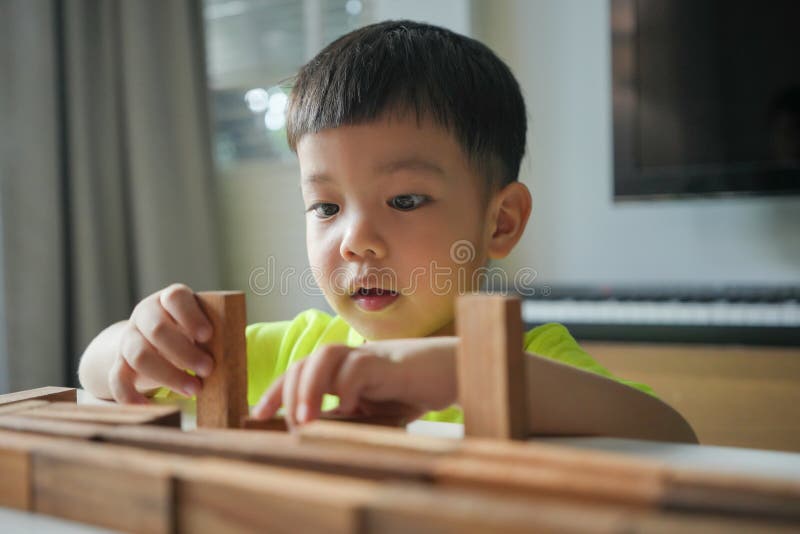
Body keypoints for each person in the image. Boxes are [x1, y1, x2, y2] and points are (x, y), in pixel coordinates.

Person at [78, 20, 697, 443]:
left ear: (500, 222)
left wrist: (451, 372)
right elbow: (95, 376)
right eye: (325, 208)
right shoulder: (294, 353)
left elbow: (672, 435)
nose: (355, 240)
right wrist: (132, 343)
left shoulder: (528, 363)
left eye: (403, 199)